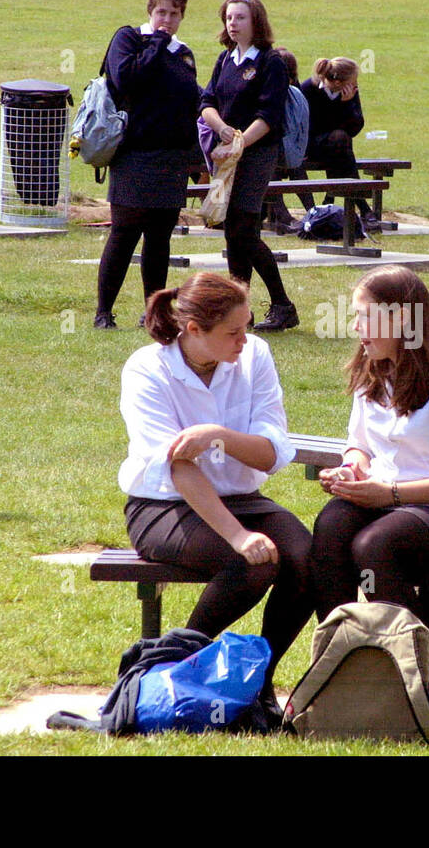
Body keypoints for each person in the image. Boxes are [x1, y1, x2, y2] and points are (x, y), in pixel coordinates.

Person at [118, 272, 311, 722]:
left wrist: (218, 436)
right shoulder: (147, 368)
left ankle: (261, 683)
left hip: (244, 497)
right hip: (162, 504)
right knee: (250, 560)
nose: (246, 340)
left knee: (308, 558)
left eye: (247, 327)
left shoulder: (255, 355)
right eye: (234, 332)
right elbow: (175, 466)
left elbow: (271, 452)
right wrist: (239, 536)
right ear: (193, 331)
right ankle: (172, 668)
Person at [309, 266, 429, 623]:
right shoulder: (375, 363)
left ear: (399, 320)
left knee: (375, 545)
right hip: (386, 498)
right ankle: (340, 653)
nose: (355, 328)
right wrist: (350, 470)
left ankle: (422, 661)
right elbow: (359, 445)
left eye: (365, 317)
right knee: (332, 527)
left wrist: (391, 494)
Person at [95, 0, 200, 330]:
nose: (166, 20)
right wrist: (156, 42)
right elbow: (127, 79)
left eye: (173, 14)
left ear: (182, 16)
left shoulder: (183, 53)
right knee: (124, 233)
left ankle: (154, 313)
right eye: (161, 12)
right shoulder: (129, 39)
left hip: (172, 159)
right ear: (150, 11)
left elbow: (190, 102)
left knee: (160, 238)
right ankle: (103, 312)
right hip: (134, 154)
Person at [199, 0, 299, 332]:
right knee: (232, 231)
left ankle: (283, 305)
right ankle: (239, 310)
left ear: (256, 21)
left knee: (244, 229)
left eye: (240, 17)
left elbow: (269, 116)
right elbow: (207, 101)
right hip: (227, 155)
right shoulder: (226, 59)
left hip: (256, 154)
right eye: (228, 17)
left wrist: (239, 142)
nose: (232, 23)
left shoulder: (270, 62)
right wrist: (221, 129)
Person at [298, 57, 375, 227]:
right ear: (338, 82)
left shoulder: (350, 92)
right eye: (353, 79)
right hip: (311, 146)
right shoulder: (308, 89)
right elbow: (310, 127)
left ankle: (331, 197)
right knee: (339, 140)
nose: (356, 83)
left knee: (340, 141)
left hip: (338, 147)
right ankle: (362, 206)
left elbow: (355, 128)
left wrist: (346, 104)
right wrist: (341, 106)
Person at [260, 46, 308, 235]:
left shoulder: (295, 94)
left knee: (292, 165)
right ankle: (284, 215)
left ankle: (311, 212)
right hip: (262, 149)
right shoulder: (263, 92)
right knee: (267, 158)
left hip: (286, 151)